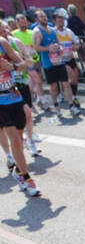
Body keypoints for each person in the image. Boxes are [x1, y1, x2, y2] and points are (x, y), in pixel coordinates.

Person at [0, 30, 40, 196]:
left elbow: (24, 64)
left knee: (19, 138)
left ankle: (19, 170)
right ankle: (27, 178)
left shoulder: (2, 43)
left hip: (14, 97)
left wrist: (12, 67)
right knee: (15, 140)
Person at [31, 9, 80, 116]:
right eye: (41, 16)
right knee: (53, 87)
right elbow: (36, 47)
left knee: (66, 83)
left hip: (59, 61)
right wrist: (48, 48)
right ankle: (56, 106)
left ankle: (72, 106)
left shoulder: (52, 30)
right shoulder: (37, 31)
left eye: (44, 16)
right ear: (36, 19)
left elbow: (58, 43)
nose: (44, 18)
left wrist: (61, 49)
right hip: (48, 63)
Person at [53, 10, 81, 106]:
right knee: (71, 78)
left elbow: (77, 42)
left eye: (62, 19)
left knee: (75, 79)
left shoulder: (68, 31)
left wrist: (76, 47)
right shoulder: (53, 32)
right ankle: (72, 98)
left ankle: (73, 96)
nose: (61, 21)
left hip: (71, 57)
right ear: (55, 21)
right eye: (58, 19)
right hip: (62, 60)